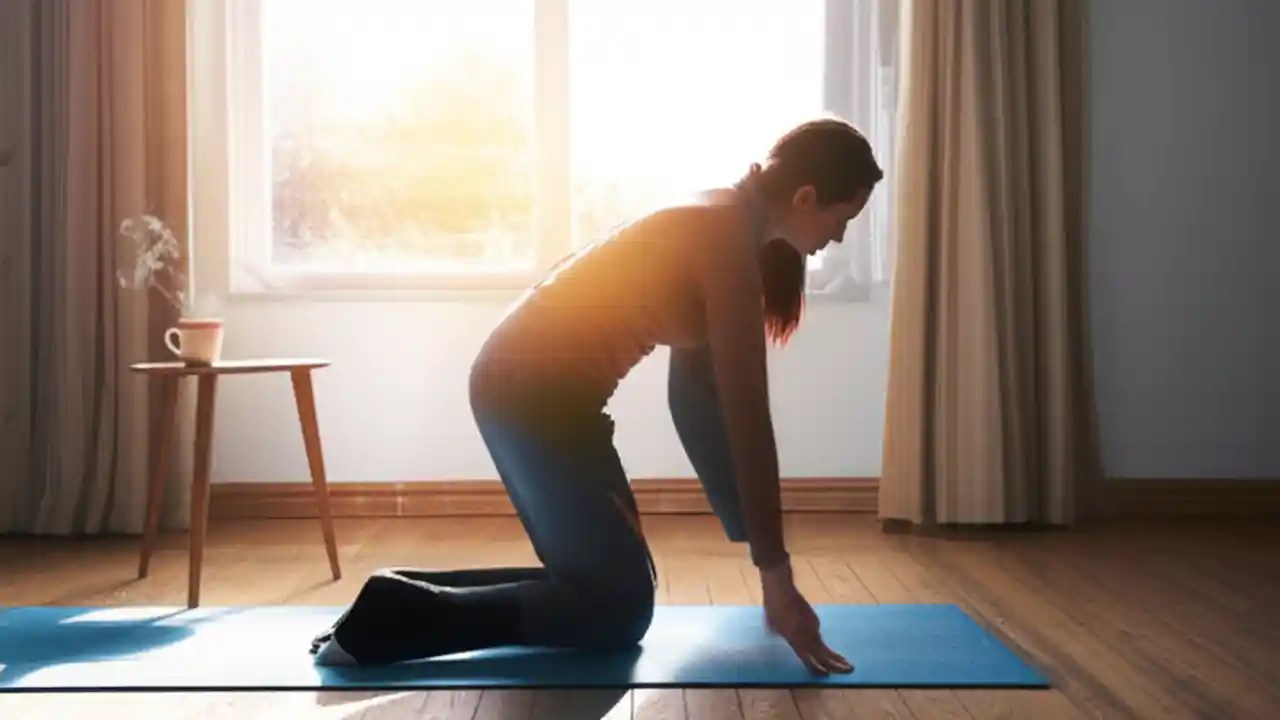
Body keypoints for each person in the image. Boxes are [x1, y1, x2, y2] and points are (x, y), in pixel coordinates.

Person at [312, 117, 884, 675]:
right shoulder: (725, 241)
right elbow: (747, 420)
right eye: (845, 218)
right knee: (617, 610)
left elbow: (695, 400)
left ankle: (400, 594)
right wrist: (776, 577)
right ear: (807, 197)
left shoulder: (726, 225)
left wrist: (747, 536)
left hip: (550, 403)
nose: (838, 237)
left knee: (617, 591)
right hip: (529, 398)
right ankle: (390, 619)